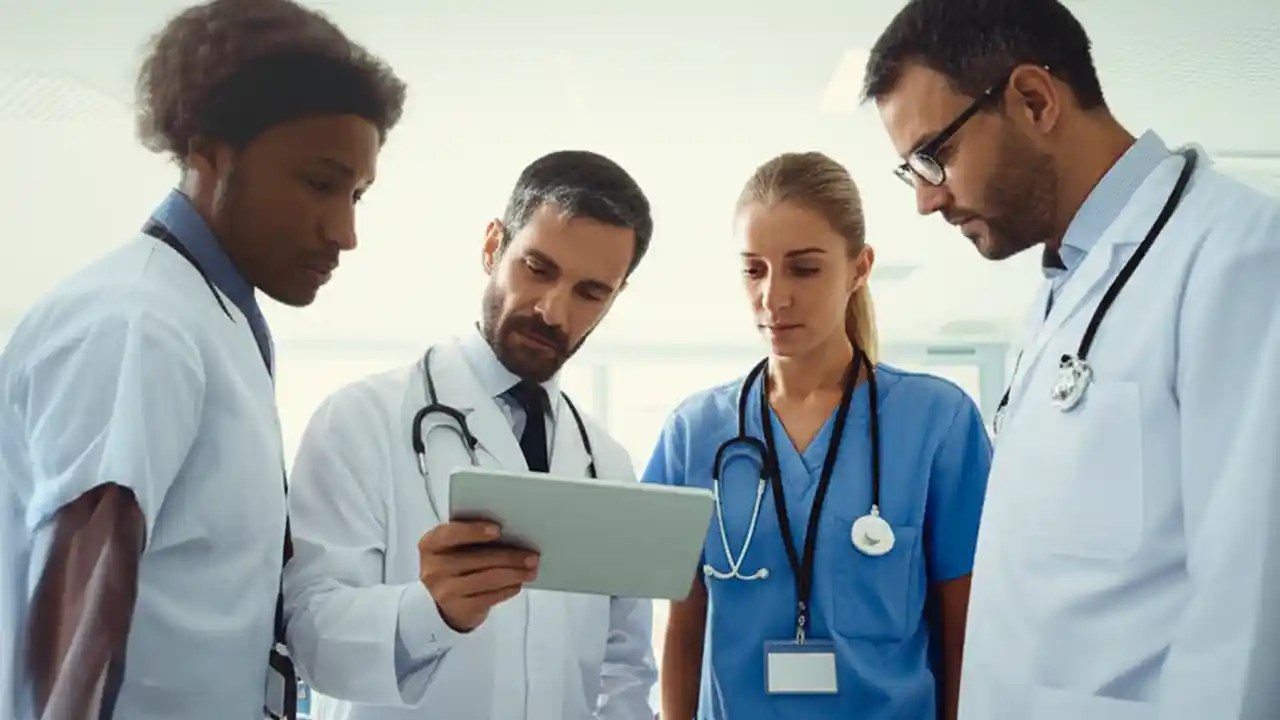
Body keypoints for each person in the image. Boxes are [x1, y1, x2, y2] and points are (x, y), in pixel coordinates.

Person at [862, 1, 1280, 719]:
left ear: (1034, 99)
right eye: (914, 171)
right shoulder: (1070, 288)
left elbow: (1251, 614)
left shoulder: (1241, 259)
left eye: (936, 155)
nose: (928, 200)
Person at [0, 1, 407, 718]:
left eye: (358, 195)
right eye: (318, 183)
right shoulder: (138, 324)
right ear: (208, 148)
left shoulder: (211, 317)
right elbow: (71, 652)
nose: (345, 232)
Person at [282, 149, 658, 719]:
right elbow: (311, 637)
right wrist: (430, 612)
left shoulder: (606, 462)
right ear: (492, 246)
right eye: (538, 268)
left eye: (590, 292)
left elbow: (623, 665)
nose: (553, 311)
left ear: (616, 297)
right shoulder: (361, 421)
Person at [642, 151, 991, 720]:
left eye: (804, 268)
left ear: (859, 268)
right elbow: (684, 626)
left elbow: (965, 631)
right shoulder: (695, 432)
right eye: (754, 269)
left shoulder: (937, 422)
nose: (774, 298)